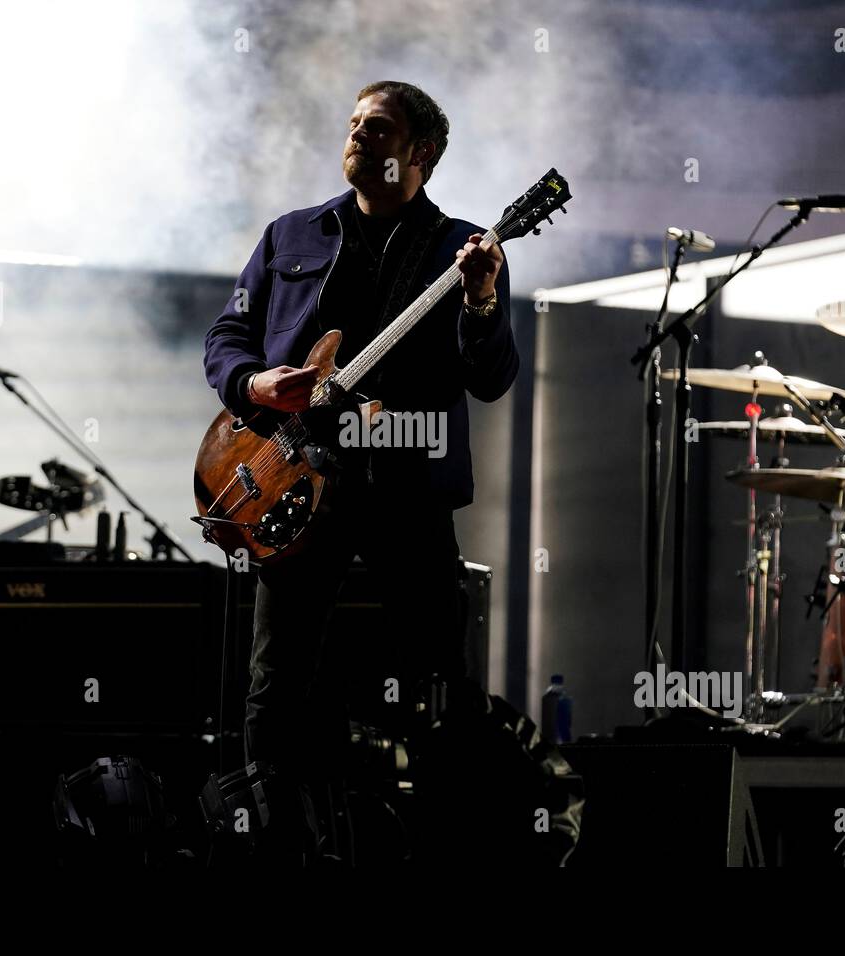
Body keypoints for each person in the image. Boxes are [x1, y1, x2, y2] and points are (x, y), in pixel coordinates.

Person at [202, 80, 518, 860]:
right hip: (296, 486)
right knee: (275, 683)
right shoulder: (291, 237)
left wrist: (479, 303)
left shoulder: (464, 249)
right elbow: (227, 337)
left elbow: (492, 377)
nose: (356, 138)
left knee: (439, 680)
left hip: (406, 492)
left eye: (376, 128)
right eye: (352, 125)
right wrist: (255, 383)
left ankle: (454, 846)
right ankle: (269, 844)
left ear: (423, 153)